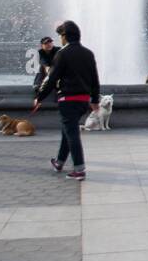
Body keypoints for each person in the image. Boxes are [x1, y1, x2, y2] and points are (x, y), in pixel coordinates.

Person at [33, 20, 101, 181]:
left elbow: (51, 79)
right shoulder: (88, 53)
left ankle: (79, 169)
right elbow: (94, 79)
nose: (59, 40)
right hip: (83, 100)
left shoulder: (62, 54)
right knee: (68, 130)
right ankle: (59, 162)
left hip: (67, 99)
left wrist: (39, 97)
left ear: (65, 36)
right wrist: (95, 99)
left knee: (72, 133)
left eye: (60, 36)